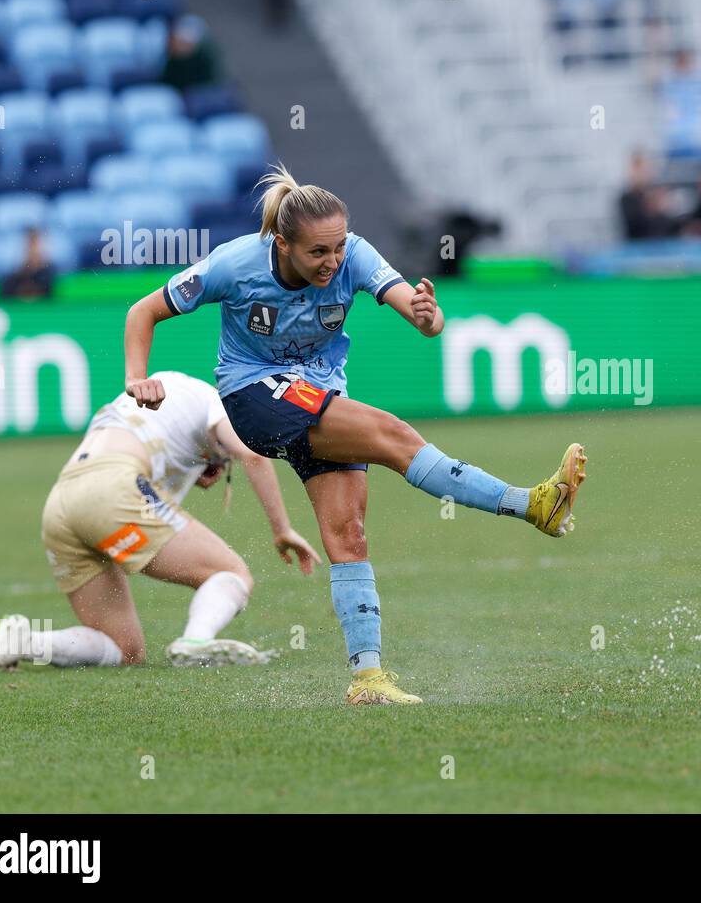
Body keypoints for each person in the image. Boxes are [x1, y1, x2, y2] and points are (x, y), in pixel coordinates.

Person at [121, 166, 587, 706]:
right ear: (282, 244)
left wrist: (428, 317)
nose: (333, 261)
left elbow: (420, 317)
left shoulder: (356, 256)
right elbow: (144, 310)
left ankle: (367, 679)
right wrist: (137, 377)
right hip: (254, 397)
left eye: (338, 247)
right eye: (318, 252)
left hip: (317, 397)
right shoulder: (235, 263)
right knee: (392, 435)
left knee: (348, 536)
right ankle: (530, 504)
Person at [0, 371, 320, 676]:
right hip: (113, 489)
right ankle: (195, 641)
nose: (215, 470)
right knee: (230, 573)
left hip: (61, 504)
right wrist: (282, 528)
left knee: (124, 650)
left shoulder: (151, 401)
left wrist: (202, 462)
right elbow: (250, 453)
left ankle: (25, 642)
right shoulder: (216, 401)